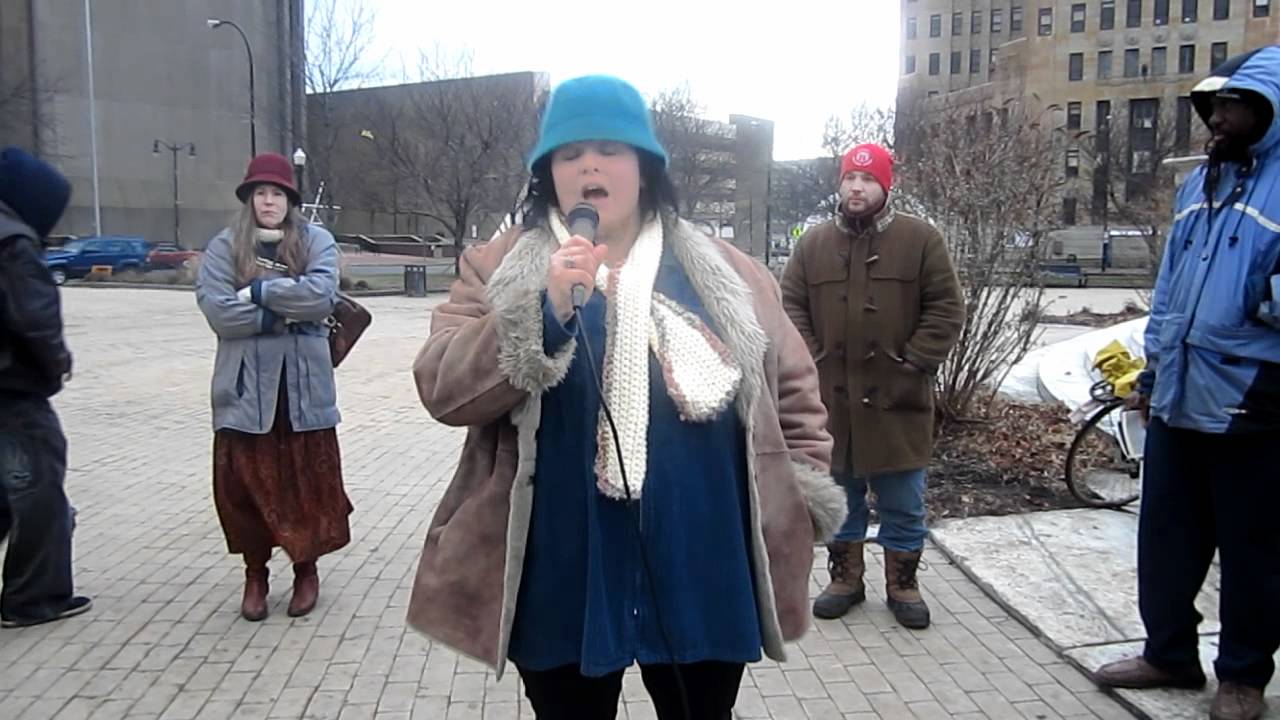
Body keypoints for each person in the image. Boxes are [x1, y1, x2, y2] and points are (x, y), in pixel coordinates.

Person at [404, 75, 847, 720]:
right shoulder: (497, 265)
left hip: (702, 550)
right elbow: (441, 387)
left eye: (610, 149)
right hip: (563, 560)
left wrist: (798, 496)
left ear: (645, 166)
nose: (589, 165)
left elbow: (795, 394)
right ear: (548, 174)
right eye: (569, 153)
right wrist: (539, 313)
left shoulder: (730, 271)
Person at [1093, 46, 1280, 720]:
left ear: (1269, 112)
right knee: (1167, 537)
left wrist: (1263, 300)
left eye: (1233, 107)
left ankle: (1243, 676)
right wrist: (1152, 372)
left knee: (1253, 550)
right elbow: (1171, 286)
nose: (1217, 119)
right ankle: (1169, 652)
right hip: (1179, 391)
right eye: (1214, 107)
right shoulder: (1199, 185)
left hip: (1254, 397)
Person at [780, 142, 964, 629]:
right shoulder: (813, 244)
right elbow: (789, 304)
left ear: (886, 185)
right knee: (841, 496)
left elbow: (947, 308)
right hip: (831, 403)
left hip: (898, 400)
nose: (857, 188)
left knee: (903, 501)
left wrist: (915, 363)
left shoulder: (920, 239)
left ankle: (903, 585)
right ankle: (846, 579)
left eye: (868, 179)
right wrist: (811, 357)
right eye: (850, 179)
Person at [195, 153, 352, 621]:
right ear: (249, 199)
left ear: (290, 200)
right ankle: (255, 575)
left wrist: (258, 292)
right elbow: (219, 311)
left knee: (307, 486)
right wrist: (281, 316)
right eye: (260, 193)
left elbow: (320, 297)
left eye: (277, 193)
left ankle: (306, 570)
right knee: (245, 490)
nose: (268, 201)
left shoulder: (316, 241)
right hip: (246, 393)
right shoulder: (225, 247)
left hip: (303, 392)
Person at [0, 146, 92, 628]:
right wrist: (57, 365)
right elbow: (36, 319)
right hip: (12, 389)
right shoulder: (14, 243)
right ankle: (33, 598)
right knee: (37, 488)